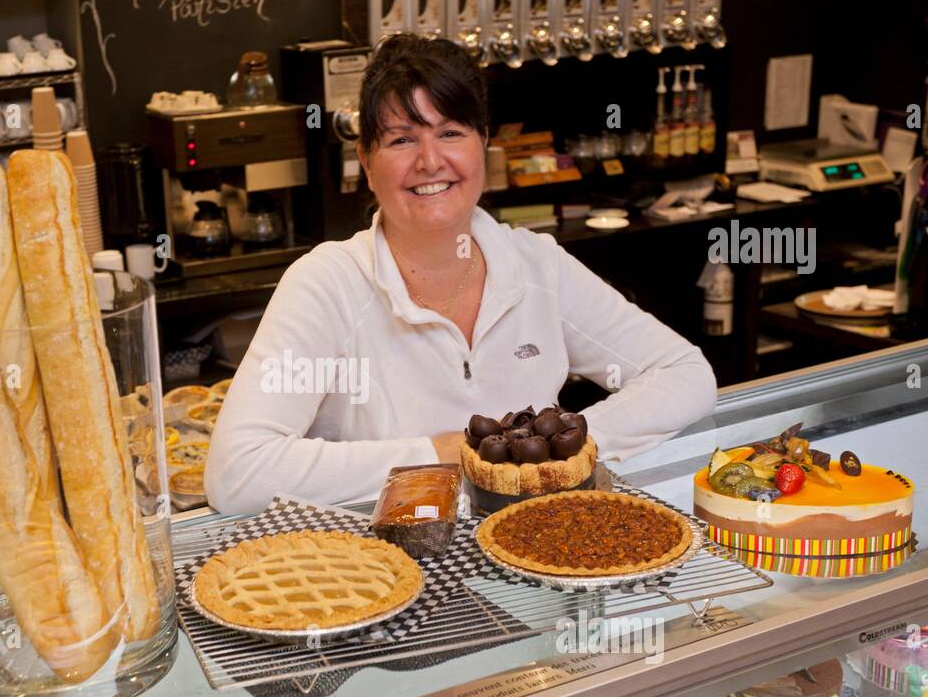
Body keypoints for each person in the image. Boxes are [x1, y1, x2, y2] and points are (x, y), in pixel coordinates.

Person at [205, 34, 716, 514]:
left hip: (538, 546)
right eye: (401, 140)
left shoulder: (536, 265)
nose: (430, 161)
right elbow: (239, 472)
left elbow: (685, 373)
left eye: (450, 133)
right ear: (366, 162)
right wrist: (441, 454)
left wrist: (558, 445)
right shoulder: (327, 284)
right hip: (381, 562)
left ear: (483, 144)